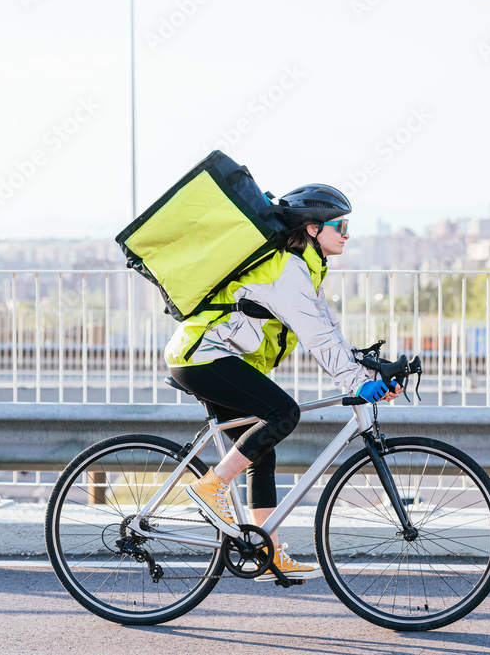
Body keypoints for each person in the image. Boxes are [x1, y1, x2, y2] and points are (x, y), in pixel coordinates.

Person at [164, 183, 402, 581]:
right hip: (201, 356)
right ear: (312, 229)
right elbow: (318, 339)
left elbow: (331, 332)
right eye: (339, 225)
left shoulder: (306, 269)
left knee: (262, 447)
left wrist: (369, 373)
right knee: (283, 413)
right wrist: (356, 383)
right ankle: (211, 486)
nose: (346, 233)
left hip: (216, 357)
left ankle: (264, 546)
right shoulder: (288, 270)